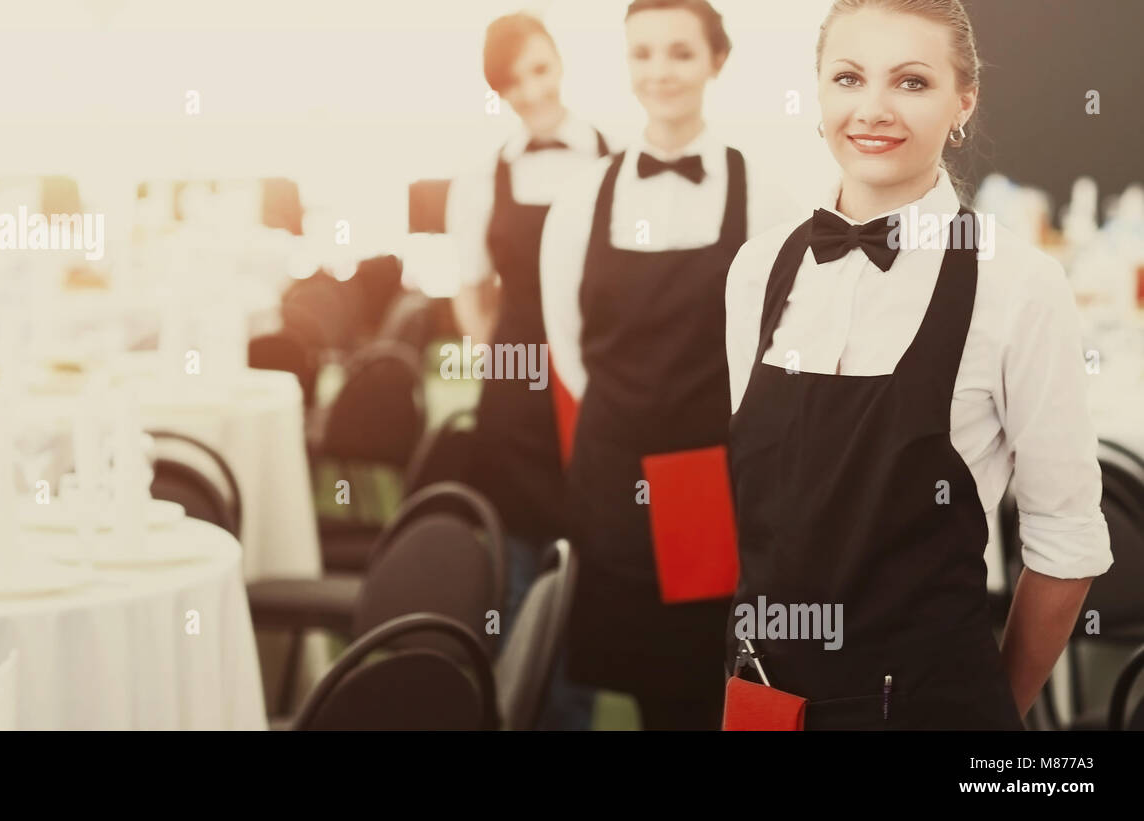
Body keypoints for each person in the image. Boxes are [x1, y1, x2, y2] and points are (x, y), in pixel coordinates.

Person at [722, 0, 1113, 729]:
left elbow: (1068, 543)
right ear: (818, 93)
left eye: (910, 82)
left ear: (963, 101)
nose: (872, 109)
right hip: (765, 702)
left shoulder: (1018, 284)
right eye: (847, 78)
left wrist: (989, 708)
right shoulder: (755, 270)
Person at [540, 0, 798, 730]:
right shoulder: (580, 196)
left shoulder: (767, 196)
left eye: (680, 53)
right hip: (614, 466)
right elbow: (568, 345)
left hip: (712, 472)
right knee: (633, 676)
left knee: (703, 680)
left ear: (717, 61)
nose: (659, 71)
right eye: (642, 53)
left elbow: (777, 346)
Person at [447, 12, 611, 730]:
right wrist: (499, 355)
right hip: (516, 397)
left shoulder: (616, 159)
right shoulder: (484, 173)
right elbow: (469, 286)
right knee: (515, 569)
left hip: (596, 393)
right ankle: (511, 712)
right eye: (513, 82)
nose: (531, 91)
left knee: (587, 566)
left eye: (539, 70)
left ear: (560, 66)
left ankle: (570, 717)